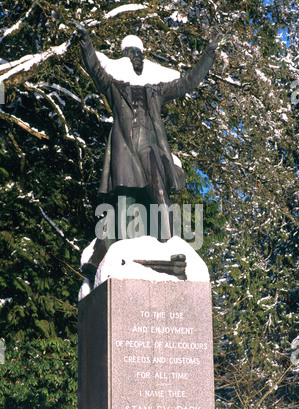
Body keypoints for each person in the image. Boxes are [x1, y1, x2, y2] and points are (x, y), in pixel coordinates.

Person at [73, 23, 223, 277]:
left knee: (161, 198)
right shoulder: (114, 87)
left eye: (140, 53)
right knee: (124, 208)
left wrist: (208, 54)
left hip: (151, 152)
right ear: (124, 58)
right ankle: (107, 256)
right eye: (132, 53)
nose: (137, 58)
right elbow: (95, 69)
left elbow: (187, 82)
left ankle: (169, 248)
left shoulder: (157, 91)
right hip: (125, 154)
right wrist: (86, 42)